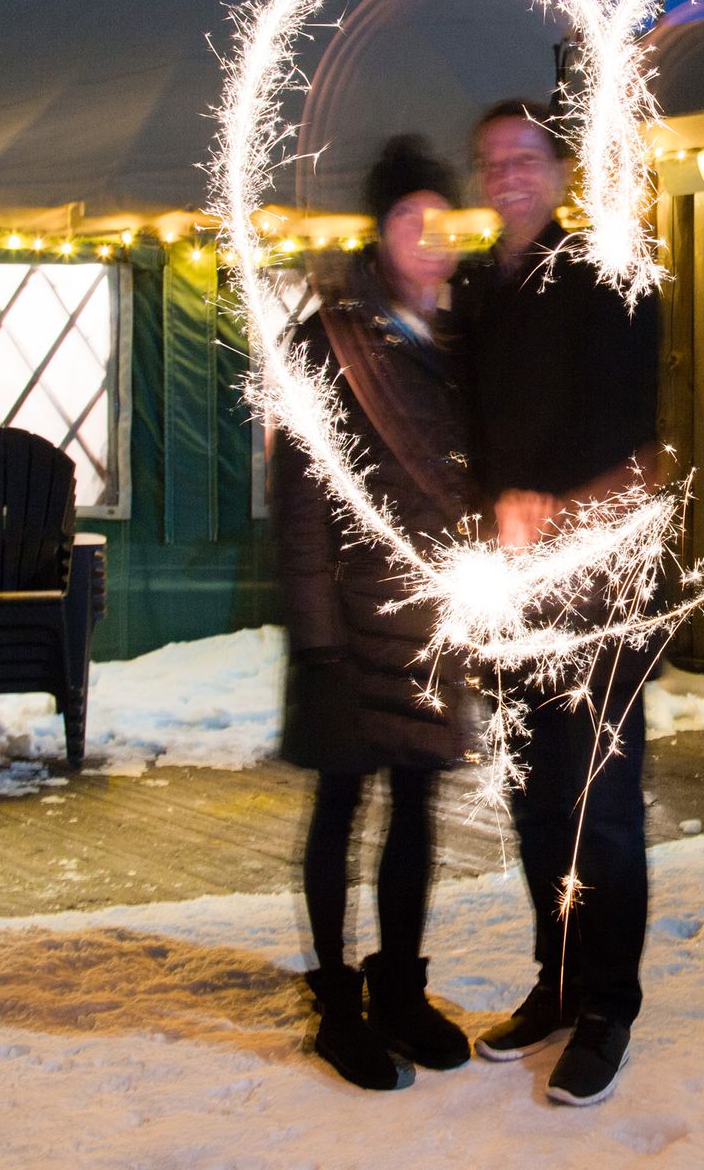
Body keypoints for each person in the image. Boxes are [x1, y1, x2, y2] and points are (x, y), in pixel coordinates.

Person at [454, 98, 661, 1107]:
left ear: (560, 167)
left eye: (524, 156)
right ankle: (559, 980)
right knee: (536, 798)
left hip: (603, 589)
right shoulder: (473, 292)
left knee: (602, 807)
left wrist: (559, 510)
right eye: (491, 159)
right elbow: (456, 436)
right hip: (510, 594)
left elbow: (645, 453)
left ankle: (610, 1003)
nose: (507, 173)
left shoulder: (605, 276)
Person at [273, 134, 476, 1091]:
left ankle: (399, 989)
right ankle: (339, 1006)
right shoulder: (329, 342)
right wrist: (315, 639)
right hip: (349, 627)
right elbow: (303, 504)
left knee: (416, 806)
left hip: (433, 627)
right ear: (382, 231)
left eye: (440, 216)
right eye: (409, 217)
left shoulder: (465, 339)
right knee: (342, 802)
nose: (428, 235)